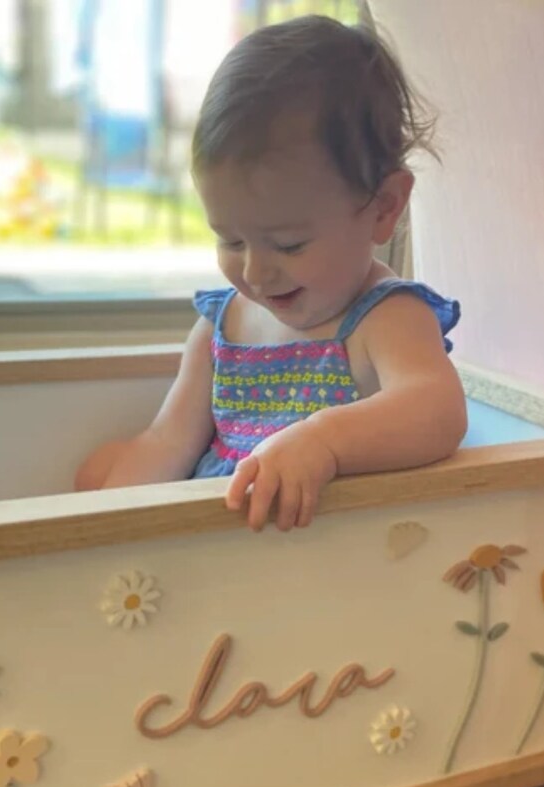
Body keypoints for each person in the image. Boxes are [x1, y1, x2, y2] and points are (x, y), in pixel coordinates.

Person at [75, 15, 467, 531]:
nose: (256, 272)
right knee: (101, 471)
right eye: (230, 240)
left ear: (383, 208)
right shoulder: (224, 326)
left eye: (289, 243)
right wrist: (100, 518)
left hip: (322, 563)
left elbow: (438, 410)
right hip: (214, 551)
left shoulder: (386, 317)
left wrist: (324, 441)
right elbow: (168, 442)